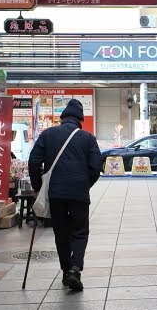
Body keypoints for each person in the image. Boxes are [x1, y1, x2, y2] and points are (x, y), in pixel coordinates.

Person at [28, 99, 103, 292]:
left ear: (62, 117)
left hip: (55, 193)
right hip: (79, 193)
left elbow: (34, 161)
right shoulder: (88, 138)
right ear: (80, 119)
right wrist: (85, 184)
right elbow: (96, 166)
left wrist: (38, 187)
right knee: (79, 231)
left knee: (61, 232)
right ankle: (75, 269)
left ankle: (65, 271)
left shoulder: (48, 134)